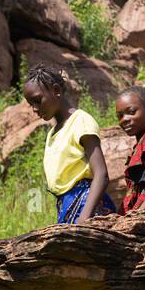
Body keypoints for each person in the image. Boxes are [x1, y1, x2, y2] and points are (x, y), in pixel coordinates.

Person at [22, 64, 117, 224]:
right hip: (67, 204)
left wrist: (84, 218)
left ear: (56, 90)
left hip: (87, 204)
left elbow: (101, 174)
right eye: (31, 104)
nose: (35, 109)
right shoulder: (52, 133)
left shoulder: (80, 120)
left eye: (38, 100)